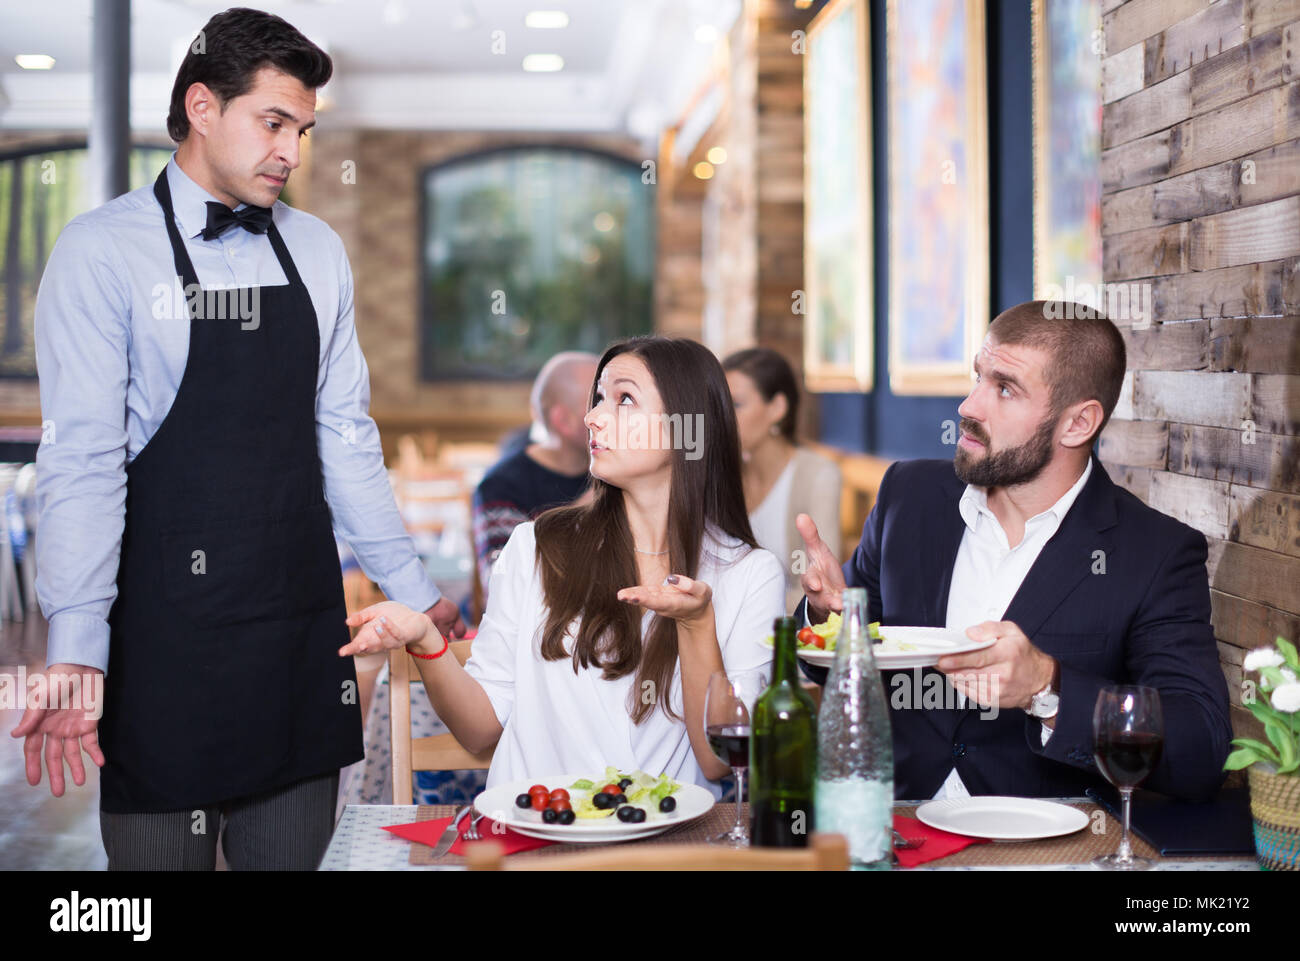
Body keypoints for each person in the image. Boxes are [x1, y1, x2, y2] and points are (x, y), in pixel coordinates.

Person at [14, 8, 464, 870]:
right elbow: (81, 462)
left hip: (299, 642)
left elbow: (345, 437)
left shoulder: (319, 250)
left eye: (303, 129)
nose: (292, 151)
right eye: (274, 122)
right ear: (202, 107)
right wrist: (76, 649)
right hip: (162, 648)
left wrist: (413, 587)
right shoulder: (101, 253)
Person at [794, 301, 1231, 801]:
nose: (969, 406)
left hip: (1044, 851)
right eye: (977, 377)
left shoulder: (1153, 553)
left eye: (1004, 388)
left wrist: (1048, 687)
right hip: (893, 833)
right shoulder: (907, 498)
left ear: (1077, 423)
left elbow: (1201, 748)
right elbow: (831, 661)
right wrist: (825, 615)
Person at [340, 337, 785, 795]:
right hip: (532, 837)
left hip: (665, 849)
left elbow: (717, 762)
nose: (593, 417)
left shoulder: (749, 573)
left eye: (624, 399)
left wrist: (695, 626)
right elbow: (479, 729)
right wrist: (426, 639)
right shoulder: (535, 546)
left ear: (688, 429)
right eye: (597, 398)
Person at [724, 348, 842, 610]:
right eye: (720, 404)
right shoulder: (723, 475)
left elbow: (822, 586)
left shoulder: (818, 476)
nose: (724, 416)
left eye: (736, 404)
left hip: (788, 635)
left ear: (777, 408)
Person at [472, 351, 596, 589]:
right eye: (598, 402)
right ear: (563, 421)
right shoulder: (501, 484)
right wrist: (584, 510)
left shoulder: (614, 472)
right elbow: (501, 583)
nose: (612, 414)